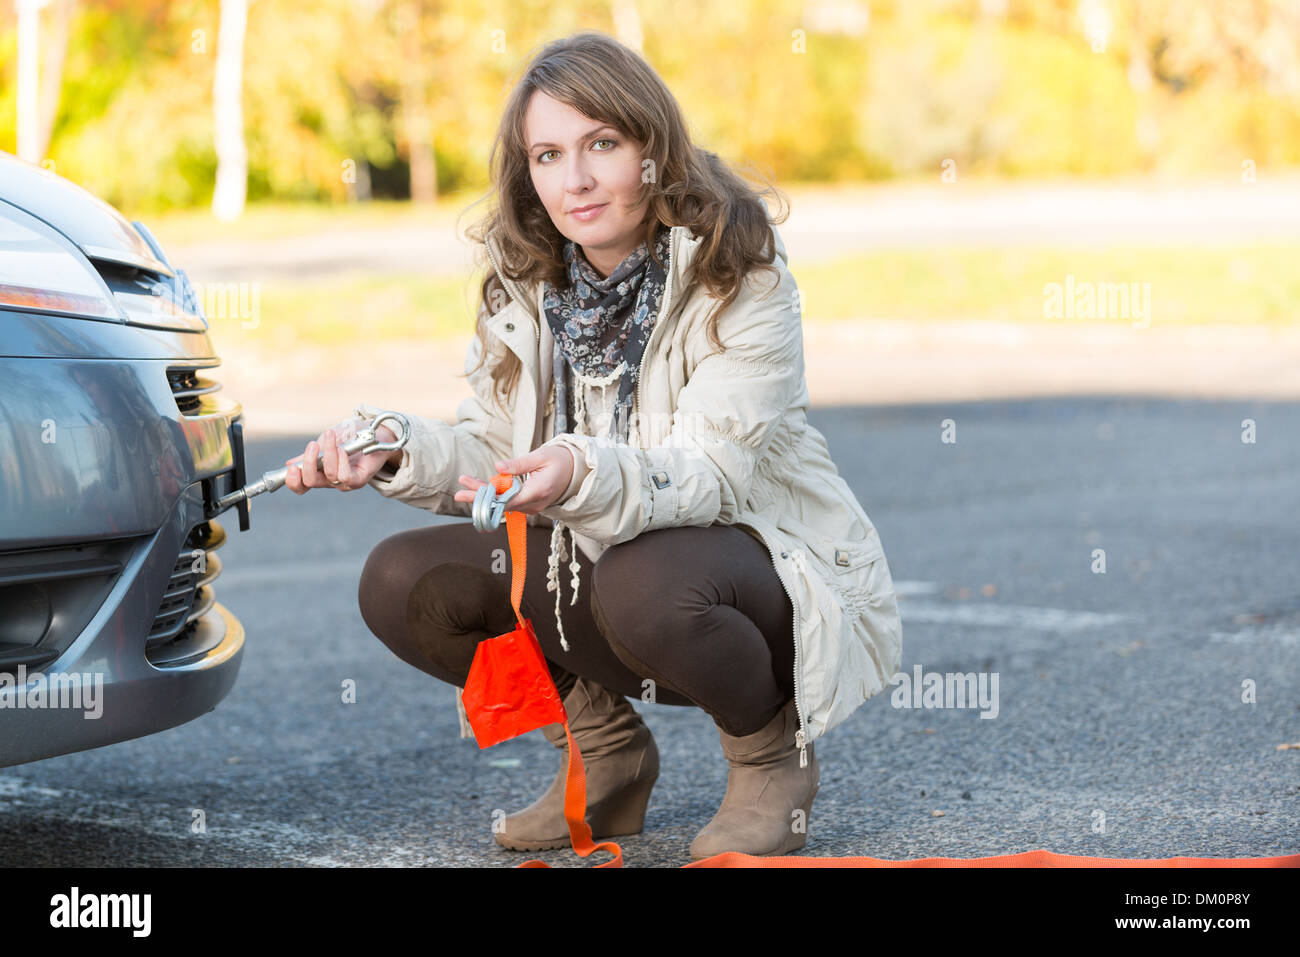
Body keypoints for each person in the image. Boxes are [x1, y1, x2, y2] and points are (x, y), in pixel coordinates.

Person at [284, 30, 902, 860]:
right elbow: (493, 447)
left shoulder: (737, 272)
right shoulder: (526, 281)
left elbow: (709, 472)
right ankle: (603, 755)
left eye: (601, 145)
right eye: (546, 154)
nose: (572, 180)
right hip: (602, 570)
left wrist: (578, 467)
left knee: (642, 577)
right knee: (402, 580)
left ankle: (769, 756)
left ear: (652, 147)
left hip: (752, 581)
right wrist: (392, 448)